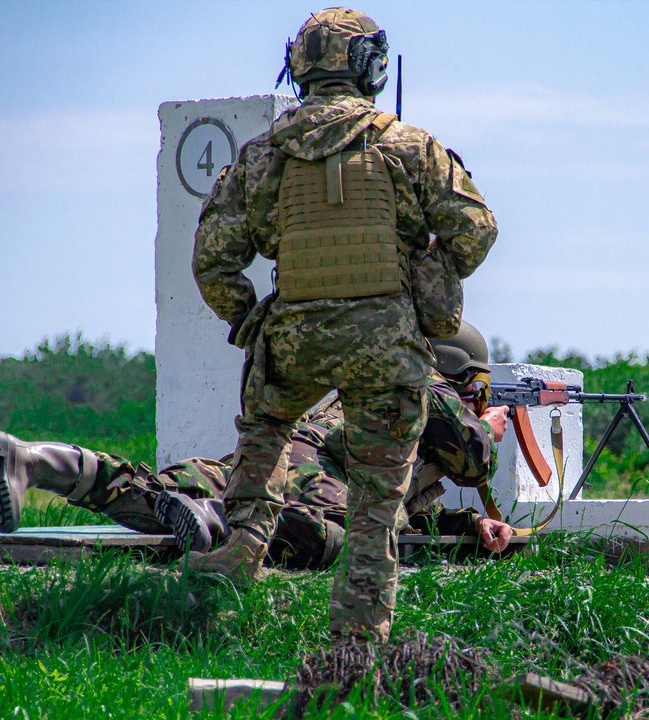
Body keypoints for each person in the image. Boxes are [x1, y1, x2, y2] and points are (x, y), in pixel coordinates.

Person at [191, 7, 496, 642]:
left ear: (300, 67)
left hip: (296, 337)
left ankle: (242, 544)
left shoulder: (262, 155)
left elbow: (212, 261)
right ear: (370, 68)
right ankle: (356, 639)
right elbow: (477, 228)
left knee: (267, 423)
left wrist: (251, 321)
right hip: (386, 345)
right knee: (377, 505)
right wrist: (429, 286)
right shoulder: (409, 144)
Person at [0, 325, 511, 567]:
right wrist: (489, 424)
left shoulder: (377, 389)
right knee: (337, 543)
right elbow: (473, 457)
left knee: (153, 493)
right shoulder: (426, 388)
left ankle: (35, 462)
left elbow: (405, 510)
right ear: (460, 375)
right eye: (478, 389)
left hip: (269, 458)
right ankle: (216, 517)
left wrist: (469, 526)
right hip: (318, 485)